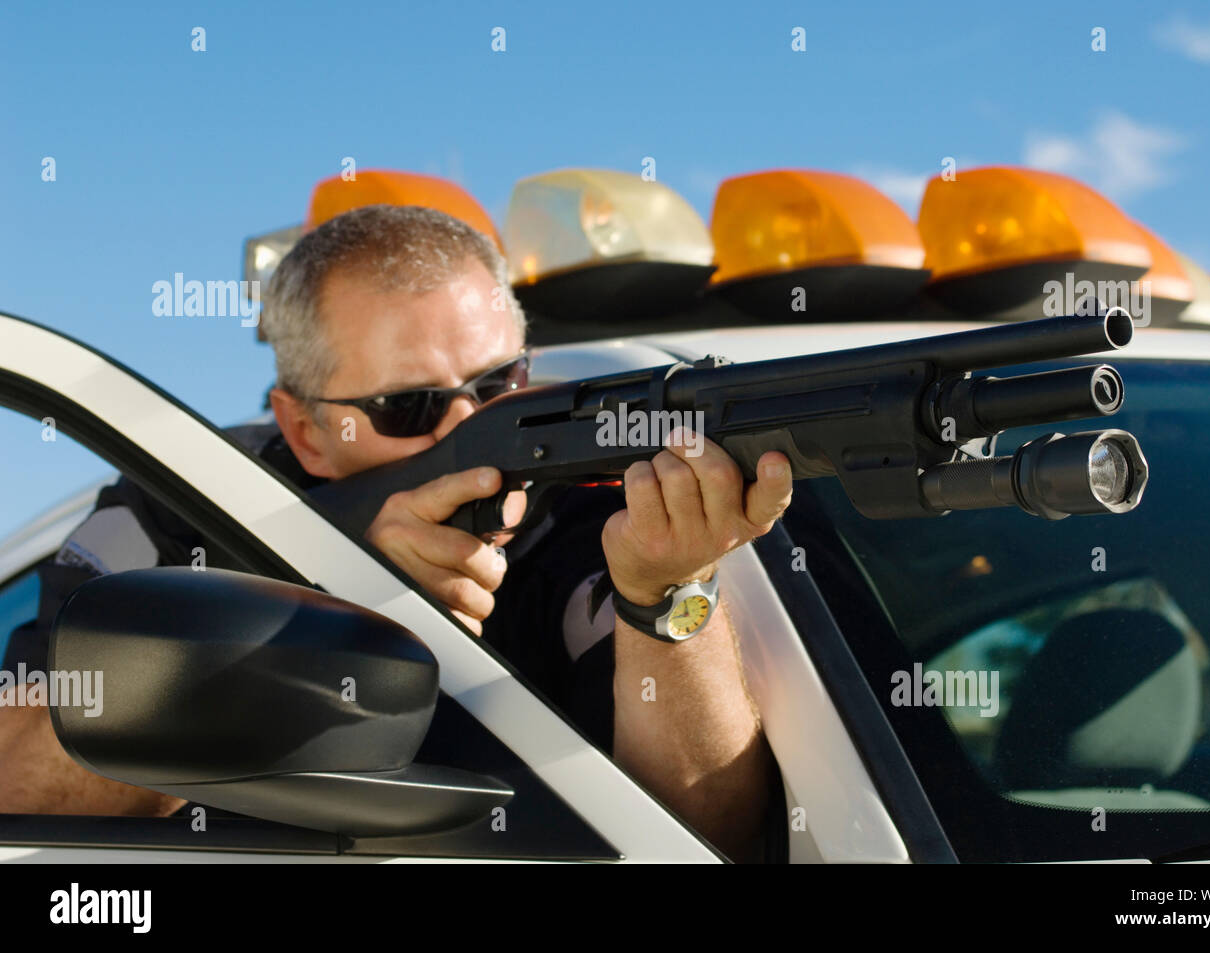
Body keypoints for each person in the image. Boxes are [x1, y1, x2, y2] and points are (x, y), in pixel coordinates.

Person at [0, 205, 792, 860]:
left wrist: (667, 594)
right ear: (306, 431)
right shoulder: (183, 505)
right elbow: (19, 797)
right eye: (409, 409)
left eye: (498, 386)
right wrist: (314, 616)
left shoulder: (597, 511)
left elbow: (708, 833)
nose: (470, 427)